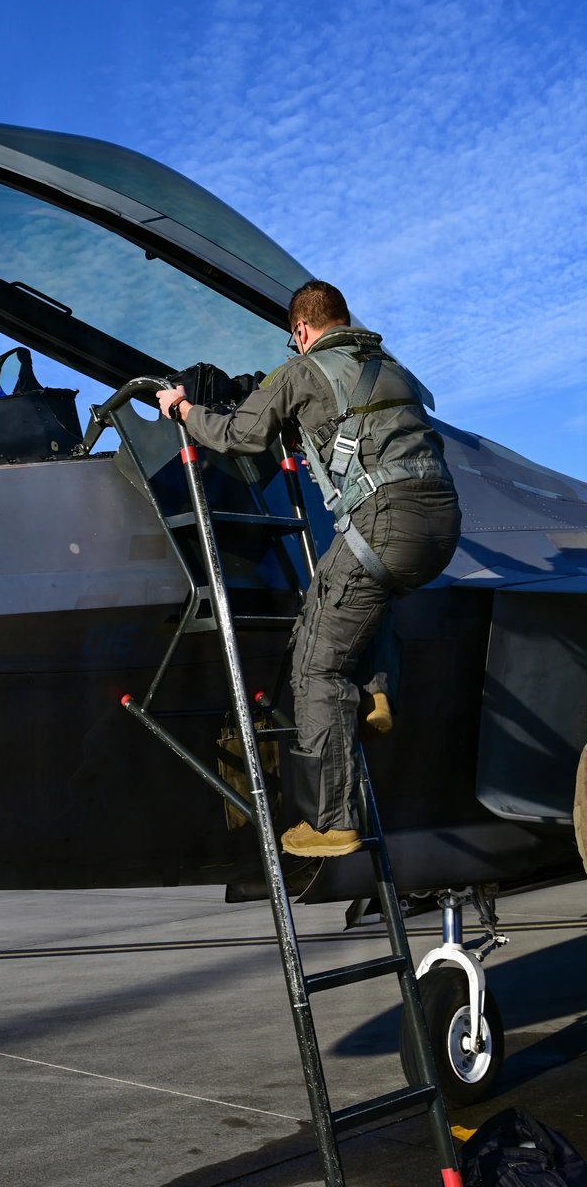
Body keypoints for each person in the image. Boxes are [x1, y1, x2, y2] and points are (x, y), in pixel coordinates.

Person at [156, 280, 461, 858]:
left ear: (300, 330)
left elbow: (239, 434)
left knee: (315, 667)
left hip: (382, 526)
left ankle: (331, 820)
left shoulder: (301, 373)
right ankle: (375, 693)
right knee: (358, 592)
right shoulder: (390, 367)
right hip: (440, 527)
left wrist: (184, 408)